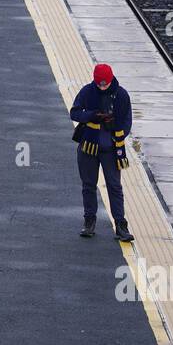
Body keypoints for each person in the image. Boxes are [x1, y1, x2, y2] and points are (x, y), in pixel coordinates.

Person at [70, 63, 134, 241]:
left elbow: (127, 121)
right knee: (88, 185)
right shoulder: (87, 91)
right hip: (88, 148)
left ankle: (121, 225)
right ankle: (89, 222)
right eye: (100, 84)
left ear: (112, 78)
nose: (102, 87)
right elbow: (74, 113)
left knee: (115, 187)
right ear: (95, 81)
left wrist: (115, 129)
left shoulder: (121, 95)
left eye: (105, 84)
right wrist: (91, 116)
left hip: (112, 149)